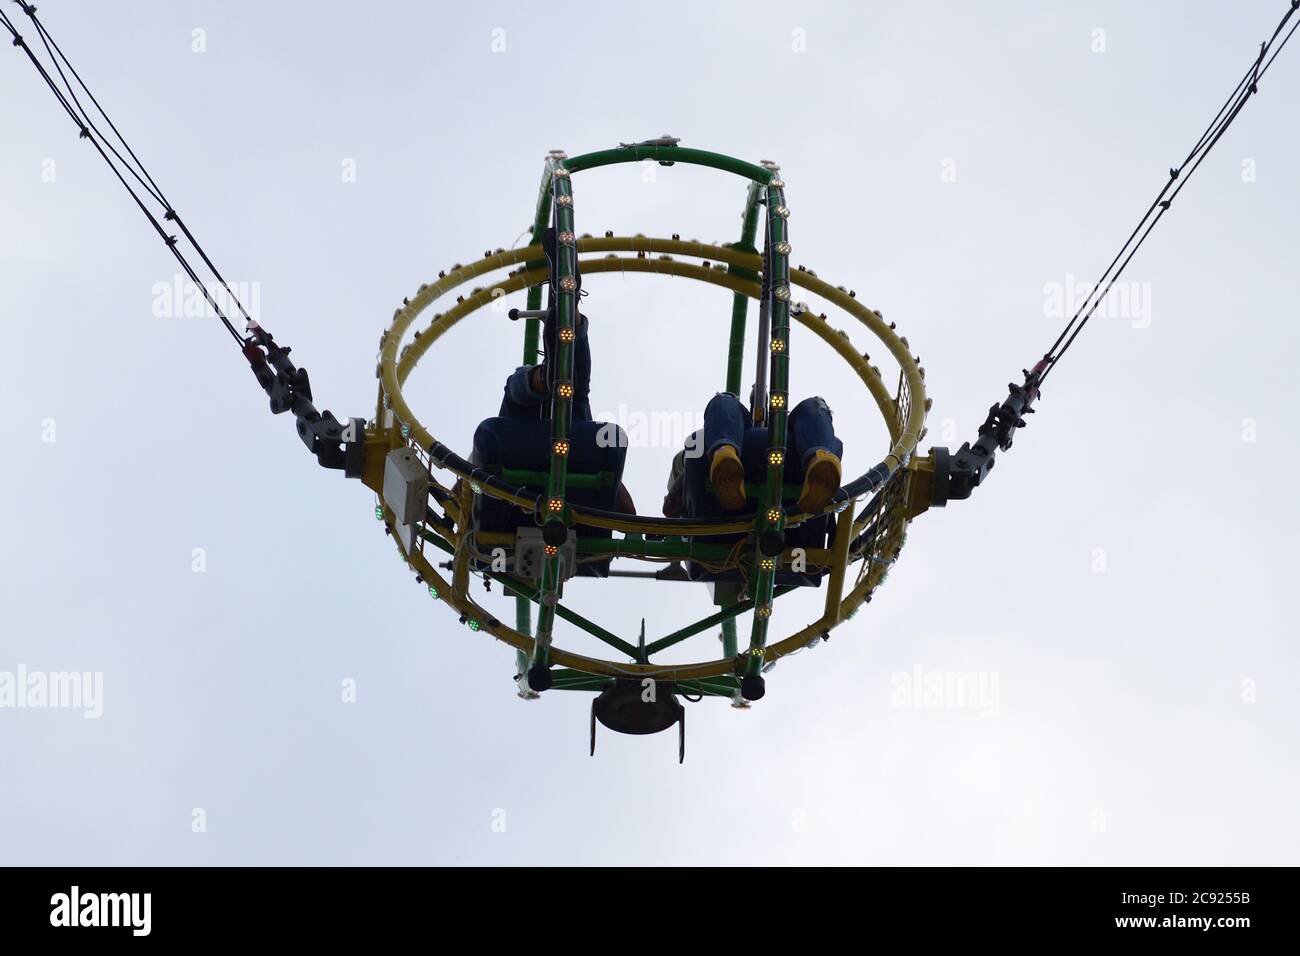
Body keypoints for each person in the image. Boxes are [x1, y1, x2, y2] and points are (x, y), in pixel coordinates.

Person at [662, 391, 842, 517]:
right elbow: (671, 508)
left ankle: (819, 464)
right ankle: (724, 459)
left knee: (813, 406)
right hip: (760, 473)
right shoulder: (690, 466)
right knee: (724, 401)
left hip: (787, 466)